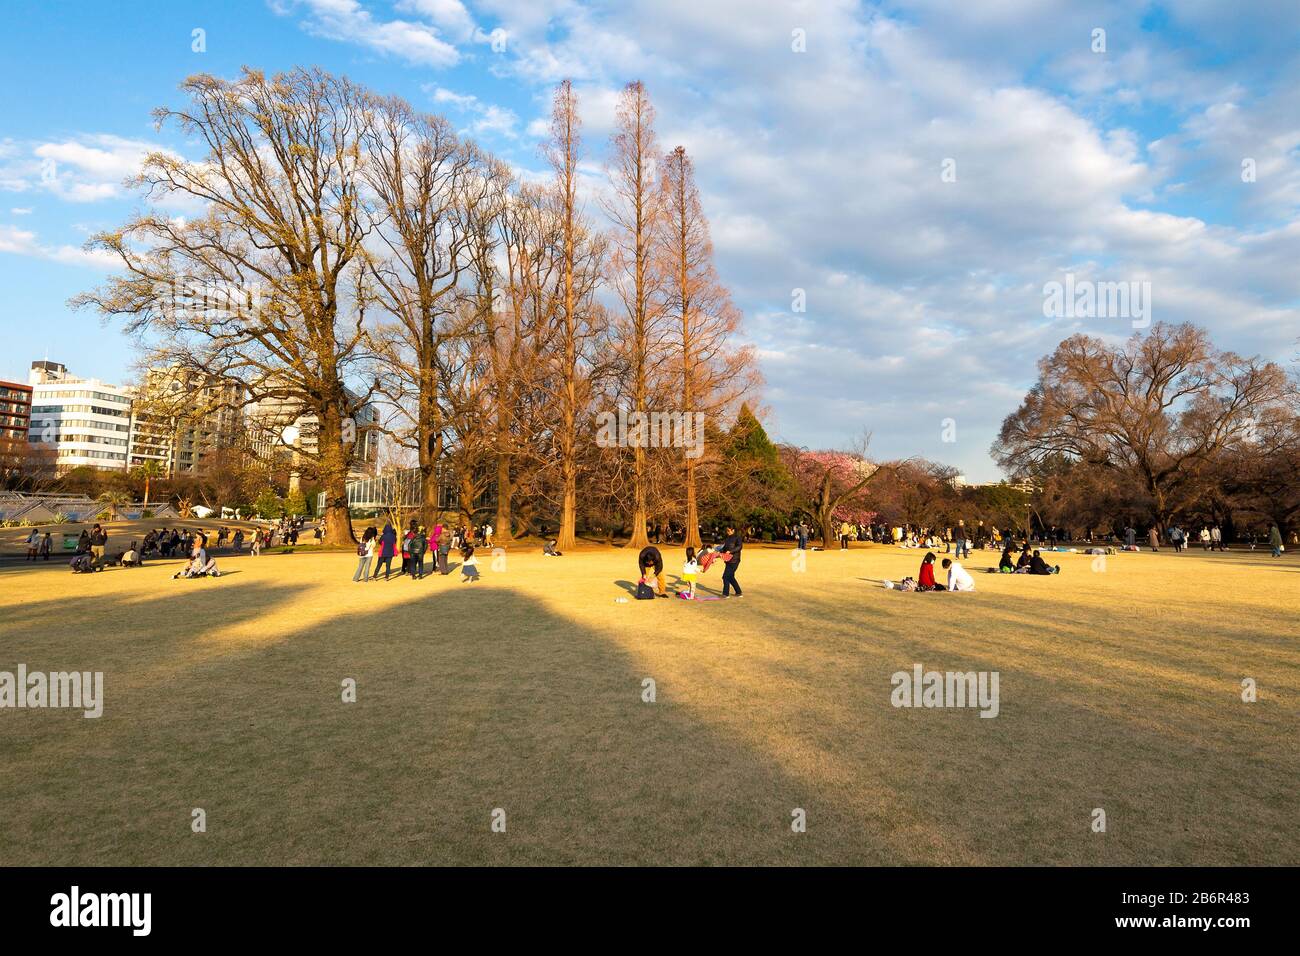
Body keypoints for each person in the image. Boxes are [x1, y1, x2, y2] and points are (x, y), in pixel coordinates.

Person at [718, 526, 744, 598]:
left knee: (725, 577)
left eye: (729, 530)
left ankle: (725, 594)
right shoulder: (727, 538)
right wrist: (718, 552)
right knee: (730, 577)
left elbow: (739, 547)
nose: (728, 532)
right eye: (727, 531)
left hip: (734, 560)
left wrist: (731, 551)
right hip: (728, 560)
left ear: (733, 530)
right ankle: (738, 592)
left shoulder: (737, 537)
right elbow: (724, 548)